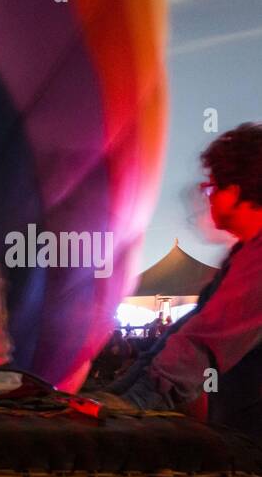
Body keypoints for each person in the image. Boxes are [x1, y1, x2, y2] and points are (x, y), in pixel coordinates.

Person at [99, 123, 262, 441]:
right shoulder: (244, 256)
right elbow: (183, 332)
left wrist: (132, 403)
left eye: (213, 187)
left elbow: (204, 340)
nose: (209, 197)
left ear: (237, 191)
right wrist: (114, 396)